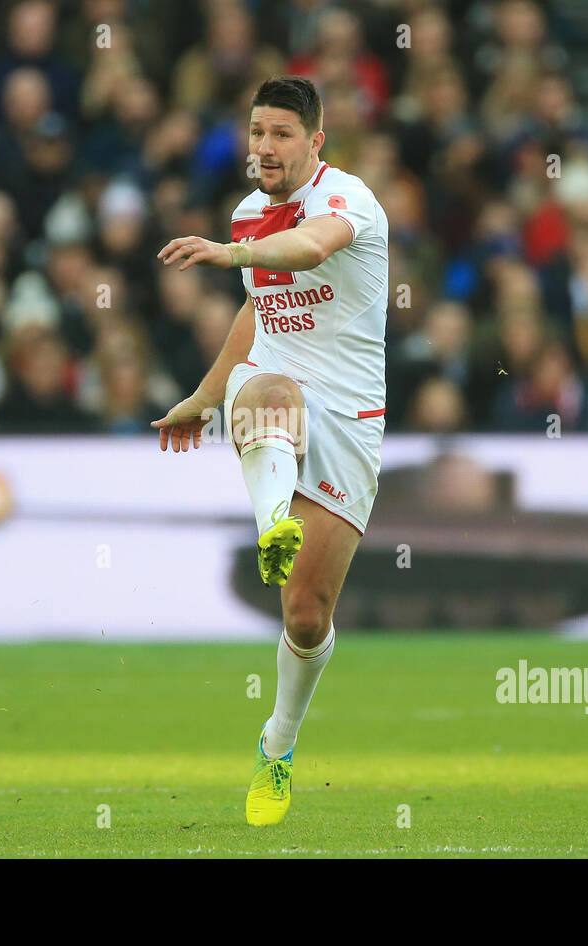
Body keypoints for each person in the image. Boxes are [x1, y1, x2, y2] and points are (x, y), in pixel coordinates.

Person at [153, 75, 388, 826]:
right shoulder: (248, 213)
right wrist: (202, 395)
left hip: (351, 417)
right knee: (265, 393)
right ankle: (271, 527)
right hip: (280, 390)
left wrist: (229, 251)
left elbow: (313, 249)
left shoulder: (347, 199)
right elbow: (261, 307)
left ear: (316, 143)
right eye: (257, 131)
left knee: (308, 616)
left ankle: (278, 742)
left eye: (282, 134)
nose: (265, 147)